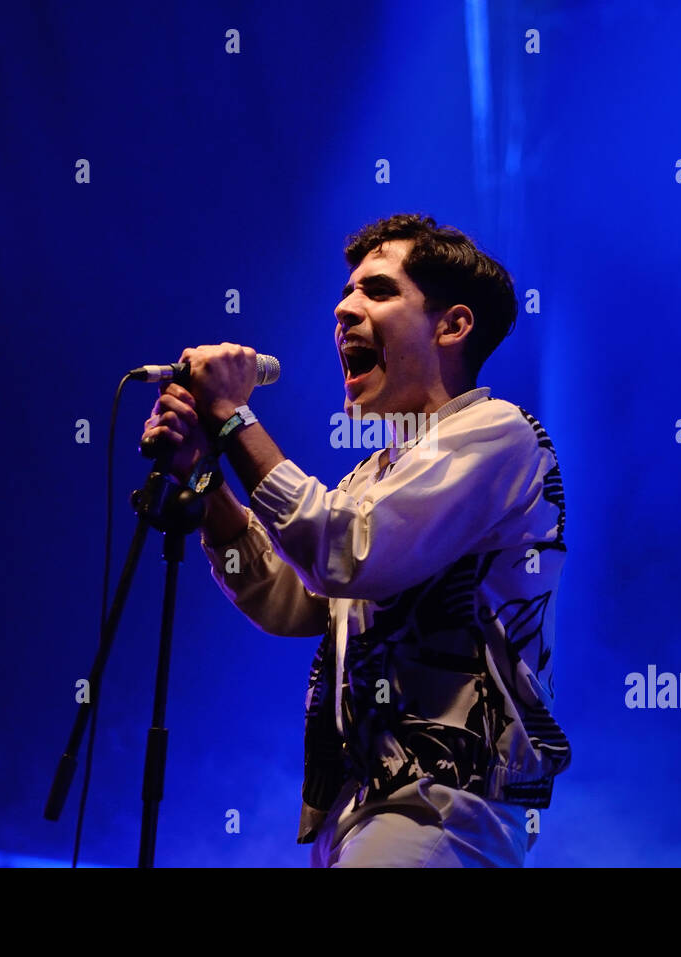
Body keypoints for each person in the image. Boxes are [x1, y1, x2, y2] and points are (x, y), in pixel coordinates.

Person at [140, 213, 569, 867]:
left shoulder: (497, 432)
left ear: (452, 325)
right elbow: (292, 596)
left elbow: (344, 550)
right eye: (345, 293)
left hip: (440, 809)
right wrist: (204, 483)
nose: (344, 308)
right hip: (365, 809)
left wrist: (233, 416)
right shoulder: (377, 474)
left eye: (378, 290)